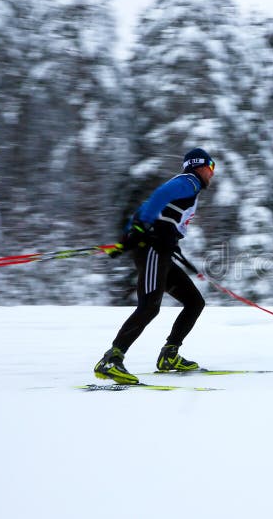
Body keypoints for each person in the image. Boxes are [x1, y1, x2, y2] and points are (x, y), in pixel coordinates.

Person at [94, 148, 217, 384]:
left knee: (194, 302)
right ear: (199, 165)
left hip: (160, 250)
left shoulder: (188, 186)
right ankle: (111, 360)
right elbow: (158, 196)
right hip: (152, 250)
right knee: (149, 306)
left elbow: (155, 208)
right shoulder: (189, 181)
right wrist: (139, 228)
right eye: (210, 168)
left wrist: (132, 237)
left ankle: (169, 355)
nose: (211, 174)